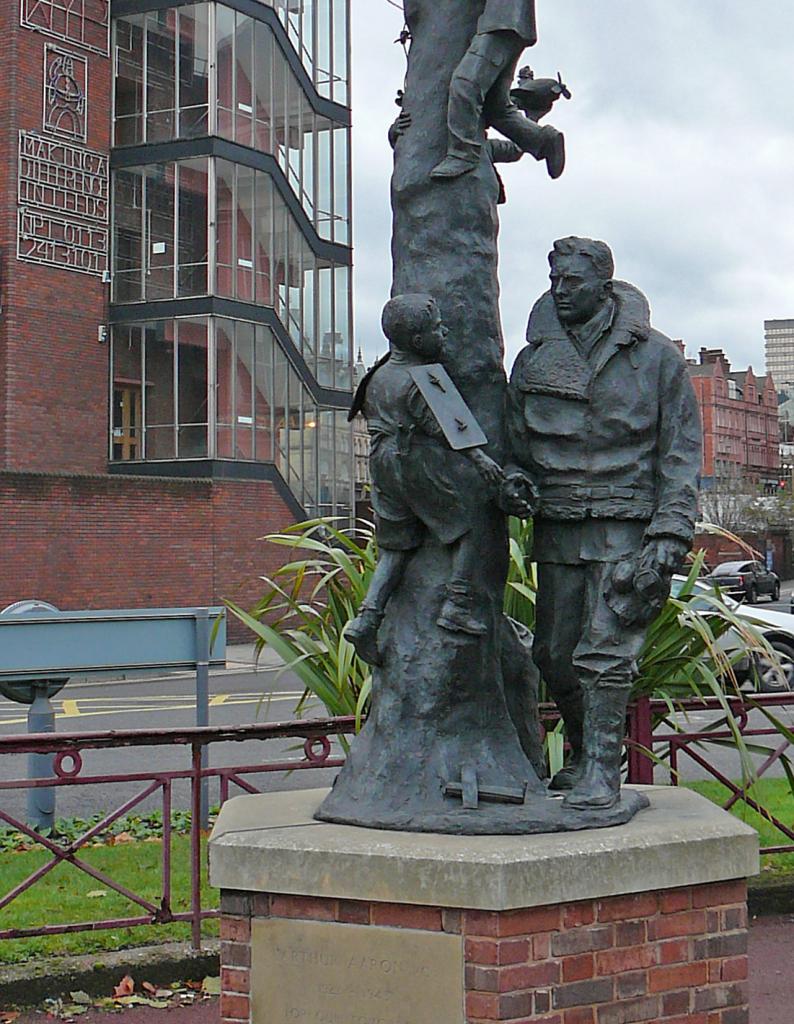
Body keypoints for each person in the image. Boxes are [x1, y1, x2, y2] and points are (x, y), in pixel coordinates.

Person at [506, 237, 701, 810]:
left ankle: (600, 773)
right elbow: (515, 441)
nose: (562, 292)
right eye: (555, 280)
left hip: (628, 527)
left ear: (604, 284)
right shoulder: (533, 360)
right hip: (560, 526)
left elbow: (680, 453)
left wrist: (670, 532)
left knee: (605, 651)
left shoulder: (657, 357)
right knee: (554, 655)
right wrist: (514, 478)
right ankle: (584, 756)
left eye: (574, 282)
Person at [346, 294, 530, 666]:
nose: (444, 333)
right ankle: (458, 604)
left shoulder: (377, 374)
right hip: (415, 463)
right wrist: (481, 460)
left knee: (396, 548)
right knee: (469, 527)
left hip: (381, 465)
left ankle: (368, 616)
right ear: (418, 342)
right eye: (438, 329)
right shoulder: (426, 377)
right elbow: (451, 426)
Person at [431, 0, 565, 181]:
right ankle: (542, 139)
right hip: (508, 25)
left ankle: (463, 153)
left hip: (500, 23)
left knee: (465, 84)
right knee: (496, 106)